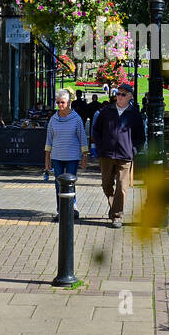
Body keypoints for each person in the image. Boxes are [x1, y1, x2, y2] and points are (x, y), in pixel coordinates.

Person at [92, 82, 145, 228]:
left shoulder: (134, 114)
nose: (119, 97)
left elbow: (141, 137)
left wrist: (132, 151)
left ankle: (117, 216)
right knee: (106, 185)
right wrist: (100, 147)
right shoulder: (106, 112)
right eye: (118, 94)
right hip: (106, 155)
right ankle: (115, 207)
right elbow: (96, 131)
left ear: (130, 97)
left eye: (123, 94)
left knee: (122, 187)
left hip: (125, 156)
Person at [45, 89, 88, 222]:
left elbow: (82, 138)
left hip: (72, 156)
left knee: (70, 183)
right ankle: (61, 210)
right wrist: (47, 159)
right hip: (57, 156)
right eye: (58, 102)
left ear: (69, 102)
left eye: (62, 102)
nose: (60, 105)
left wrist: (84, 157)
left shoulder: (76, 119)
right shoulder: (53, 119)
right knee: (58, 184)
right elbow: (49, 139)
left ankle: (72, 208)